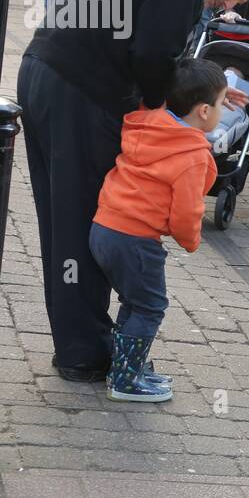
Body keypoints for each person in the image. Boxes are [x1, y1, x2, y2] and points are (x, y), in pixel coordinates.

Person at [17, 0, 249, 381]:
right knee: (82, 222)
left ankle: (79, 340)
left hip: (47, 76)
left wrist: (208, 96)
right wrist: (167, 117)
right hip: (80, 93)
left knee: (61, 220)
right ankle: (84, 351)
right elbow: (152, 57)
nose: (231, 4)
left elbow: (155, 55)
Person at [90, 59, 222, 402]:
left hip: (104, 227)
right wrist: (191, 240)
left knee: (134, 302)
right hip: (136, 240)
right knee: (150, 306)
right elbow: (185, 212)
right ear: (205, 111)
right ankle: (125, 381)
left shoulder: (146, 127)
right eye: (222, 103)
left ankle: (124, 367)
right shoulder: (191, 154)